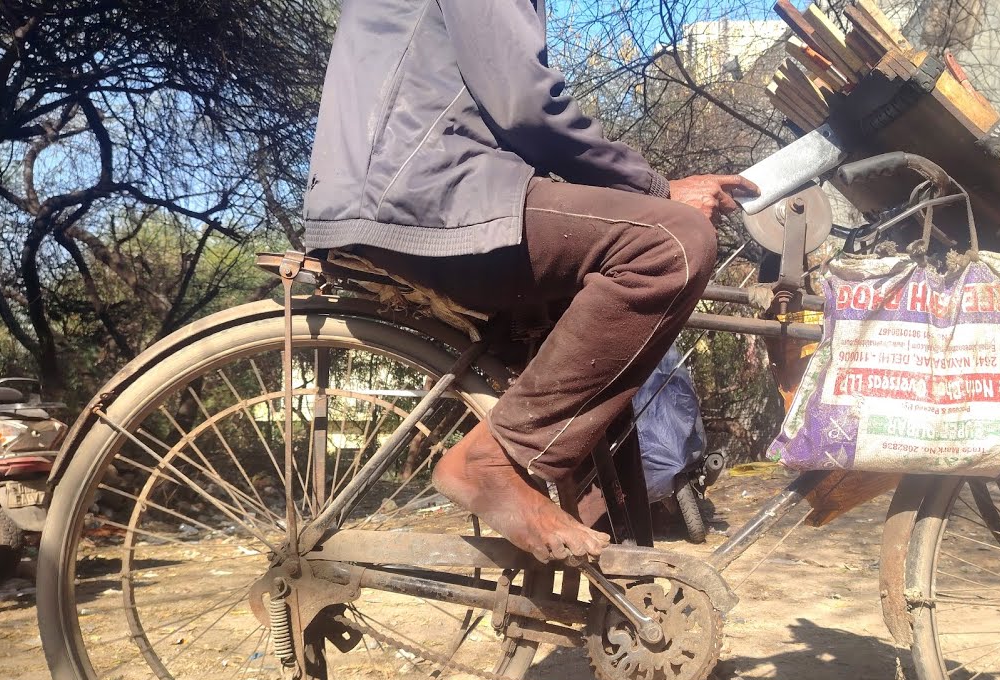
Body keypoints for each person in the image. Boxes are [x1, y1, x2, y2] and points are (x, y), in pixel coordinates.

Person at [303, 0, 757, 564]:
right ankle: (490, 459)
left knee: (602, 321)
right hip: (424, 193)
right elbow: (525, 102)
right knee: (671, 244)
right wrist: (656, 188)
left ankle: (605, 562)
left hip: (410, 190)